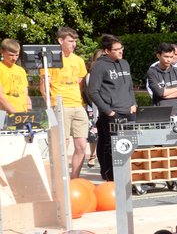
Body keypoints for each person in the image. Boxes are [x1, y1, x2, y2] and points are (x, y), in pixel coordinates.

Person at [40, 27, 89, 179]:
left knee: (81, 145)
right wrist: (51, 105)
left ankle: (74, 178)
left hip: (77, 105)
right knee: (63, 144)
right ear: (60, 41)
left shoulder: (79, 60)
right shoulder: (50, 59)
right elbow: (44, 87)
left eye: (75, 41)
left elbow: (80, 83)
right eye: (70, 41)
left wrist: (81, 102)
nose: (73, 44)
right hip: (60, 105)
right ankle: (61, 178)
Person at [88, 35, 137, 181]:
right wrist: (108, 110)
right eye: (116, 50)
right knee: (110, 146)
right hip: (111, 113)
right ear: (106, 51)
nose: (120, 52)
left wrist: (133, 103)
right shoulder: (99, 66)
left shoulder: (125, 63)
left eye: (121, 48)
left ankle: (128, 175)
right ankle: (110, 176)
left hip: (129, 111)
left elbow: (129, 87)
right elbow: (92, 91)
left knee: (129, 144)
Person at [146, 42, 177, 115]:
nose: (169, 60)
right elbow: (159, 92)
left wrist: (164, 94)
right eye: (166, 56)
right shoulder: (152, 72)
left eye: (171, 57)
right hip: (161, 112)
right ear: (158, 56)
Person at [83, 49, 104, 168]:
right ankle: (92, 155)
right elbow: (87, 92)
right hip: (93, 107)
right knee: (93, 134)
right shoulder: (90, 75)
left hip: (106, 107)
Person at [0, 38, 30, 114]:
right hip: (4, 113)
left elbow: (25, 94)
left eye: (17, 55)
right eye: (11, 55)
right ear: (2, 52)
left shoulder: (21, 70)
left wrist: (29, 111)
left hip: (22, 112)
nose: (14, 58)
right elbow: (1, 97)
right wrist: (14, 114)